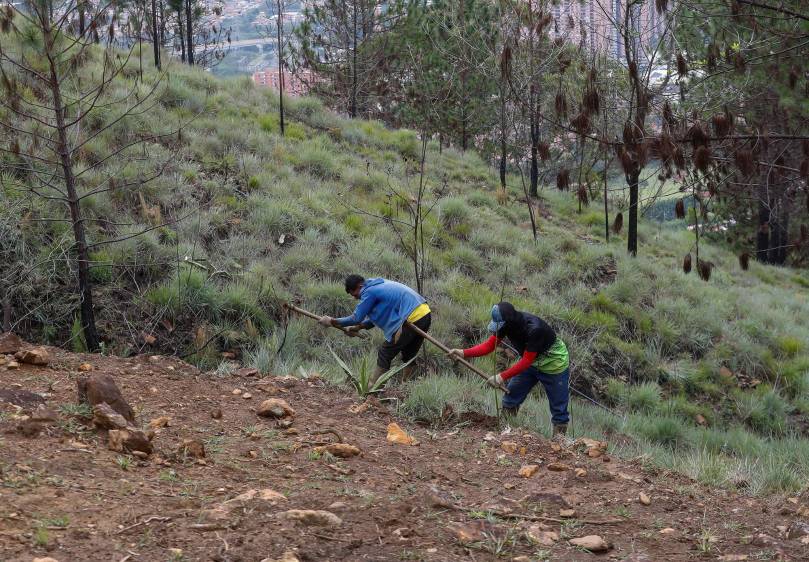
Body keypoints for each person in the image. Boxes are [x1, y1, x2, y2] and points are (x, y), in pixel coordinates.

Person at [448, 301, 570, 436]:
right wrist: (463, 353)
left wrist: (501, 376)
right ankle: (506, 432)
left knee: (559, 409)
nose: (499, 328)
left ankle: (559, 443)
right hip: (532, 362)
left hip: (554, 364)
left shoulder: (535, 329)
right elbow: (489, 346)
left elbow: (526, 362)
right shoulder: (505, 324)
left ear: (509, 321)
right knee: (511, 398)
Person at [319, 275, 431, 383]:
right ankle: (407, 386)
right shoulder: (378, 285)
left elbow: (356, 317)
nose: (356, 298)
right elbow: (377, 317)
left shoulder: (369, 292)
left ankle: (373, 389)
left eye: (355, 295)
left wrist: (332, 321)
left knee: (385, 352)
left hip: (412, 317)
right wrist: (357, 327)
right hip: (424, 313)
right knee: (408, 354)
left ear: (359, 286)